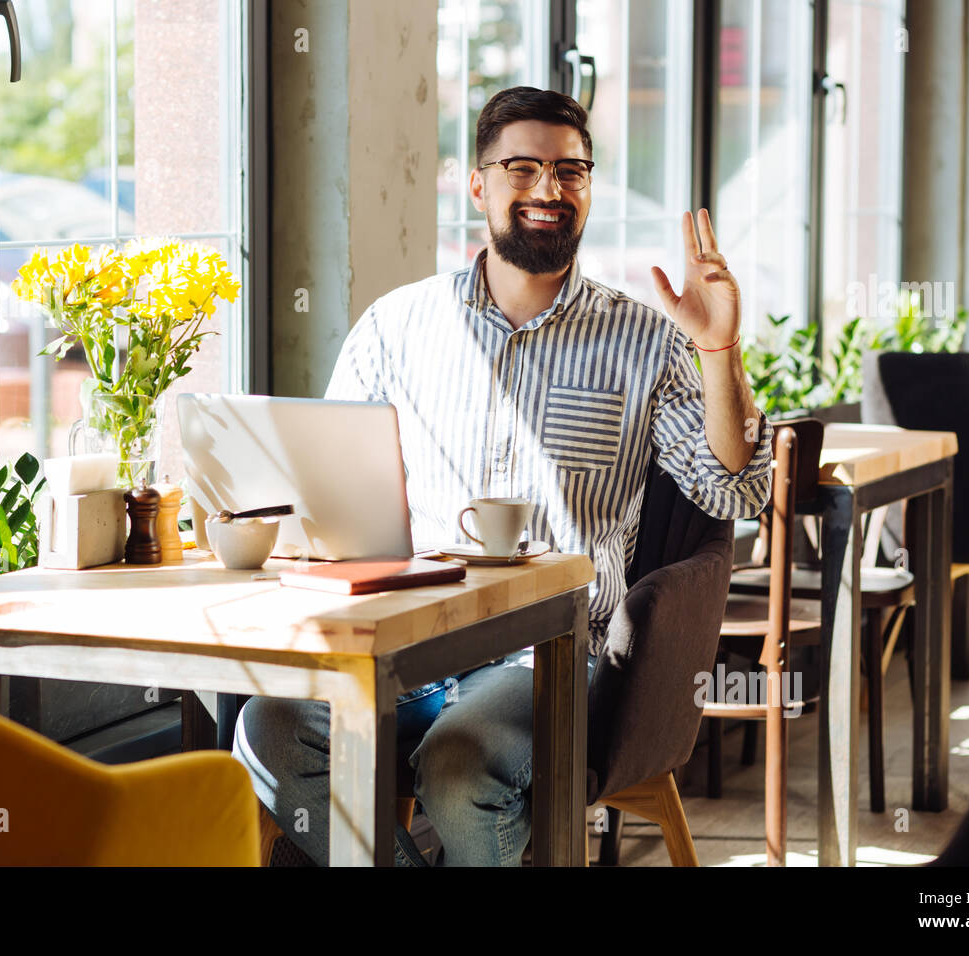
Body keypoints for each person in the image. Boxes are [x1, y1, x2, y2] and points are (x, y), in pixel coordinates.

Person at [234, 86, 774, 866]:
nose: (550, 190)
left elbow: (735, 491)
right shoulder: (396, 326)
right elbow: (322, 494)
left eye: (571, 171)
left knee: (459, 768)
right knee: (269, 728)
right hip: (404, 648)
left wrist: (719, 351)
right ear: (479, 185)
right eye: (523, 169)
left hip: (550, 660)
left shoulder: (646, 339)